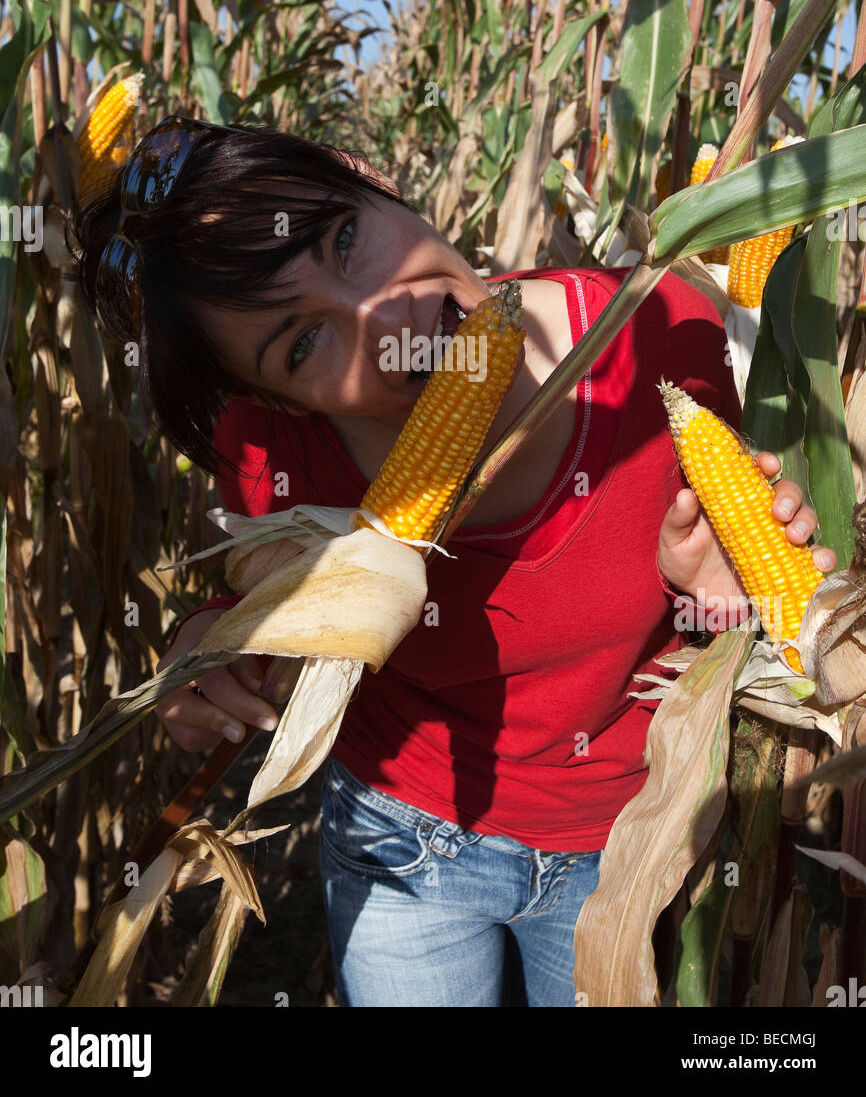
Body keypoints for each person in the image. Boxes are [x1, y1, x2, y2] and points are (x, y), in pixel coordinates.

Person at [73, 114, 836, 1007]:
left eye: (345, 238)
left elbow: (742, 642)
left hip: (621, 845)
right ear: (267, 394)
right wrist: (207, 645)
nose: (385, 313)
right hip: (401, 837)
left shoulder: (663, 337)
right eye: (305, 343)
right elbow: (262, 586)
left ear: (367, 171)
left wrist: (719, 604)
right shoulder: (268, 449)